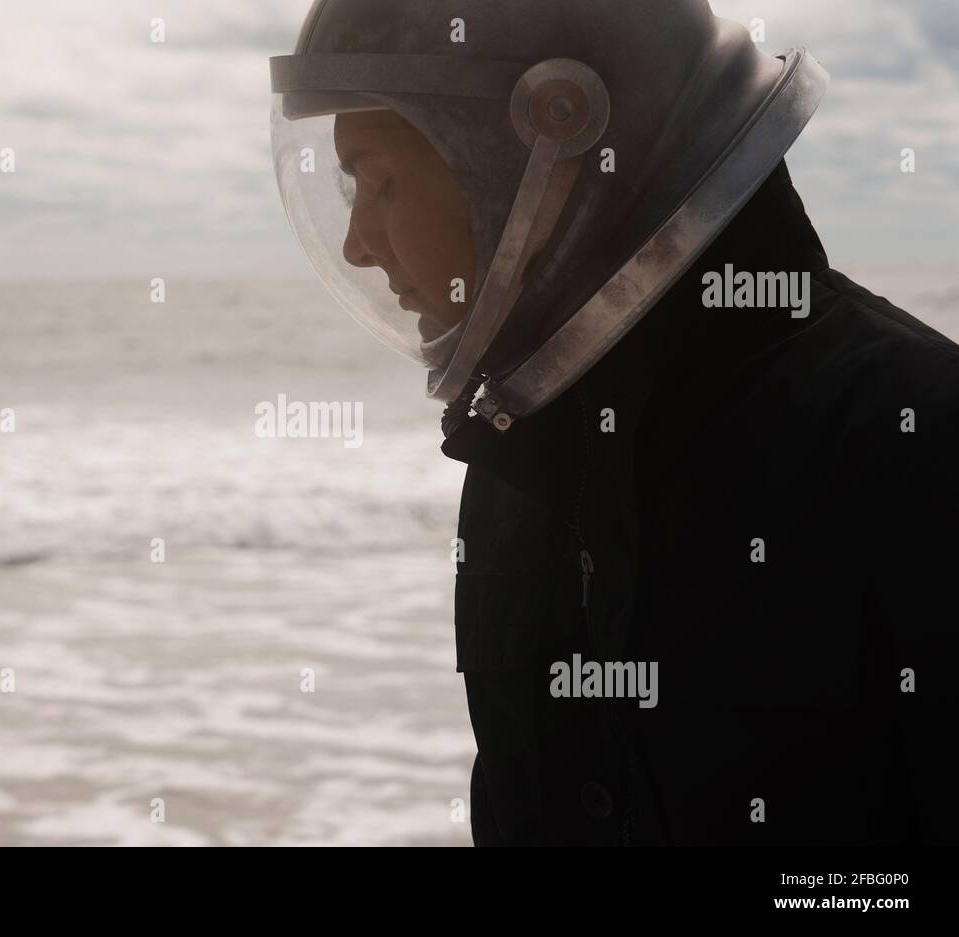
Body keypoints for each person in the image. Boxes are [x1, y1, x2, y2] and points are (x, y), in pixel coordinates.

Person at [270, 0, 959, 844]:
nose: (357, 244)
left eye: (378, 182)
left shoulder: (917, 433)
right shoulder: (516, 463)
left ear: (543, 143)